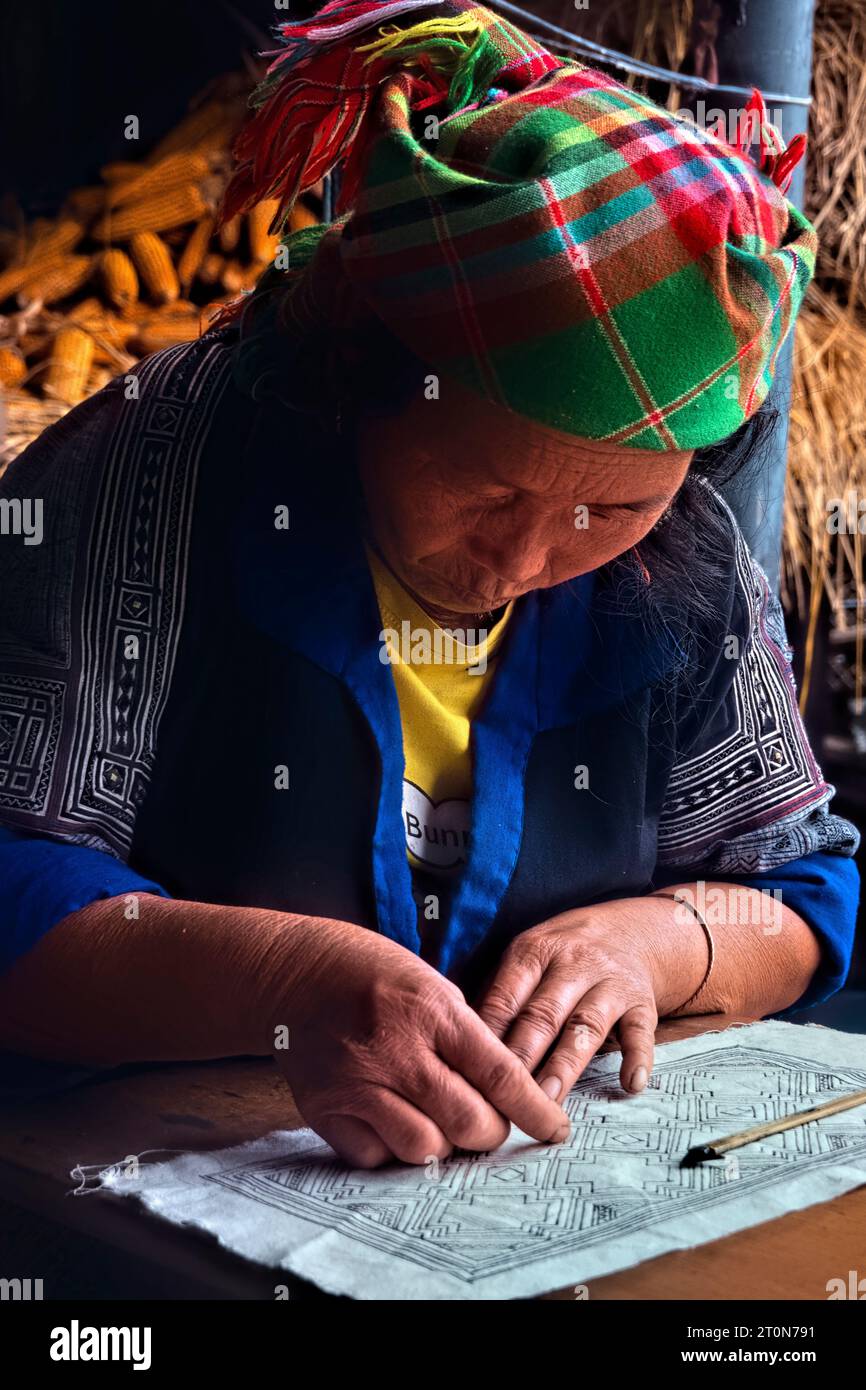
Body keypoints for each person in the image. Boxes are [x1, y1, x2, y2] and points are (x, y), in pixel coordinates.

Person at [0, 0, 858, 1168]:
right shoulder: (157, 467)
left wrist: (664, 942)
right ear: (352, 379)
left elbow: (805, 895)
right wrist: (282, 983)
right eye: (483, 489)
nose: (518, 562)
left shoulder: (684, 558)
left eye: (608, 511)